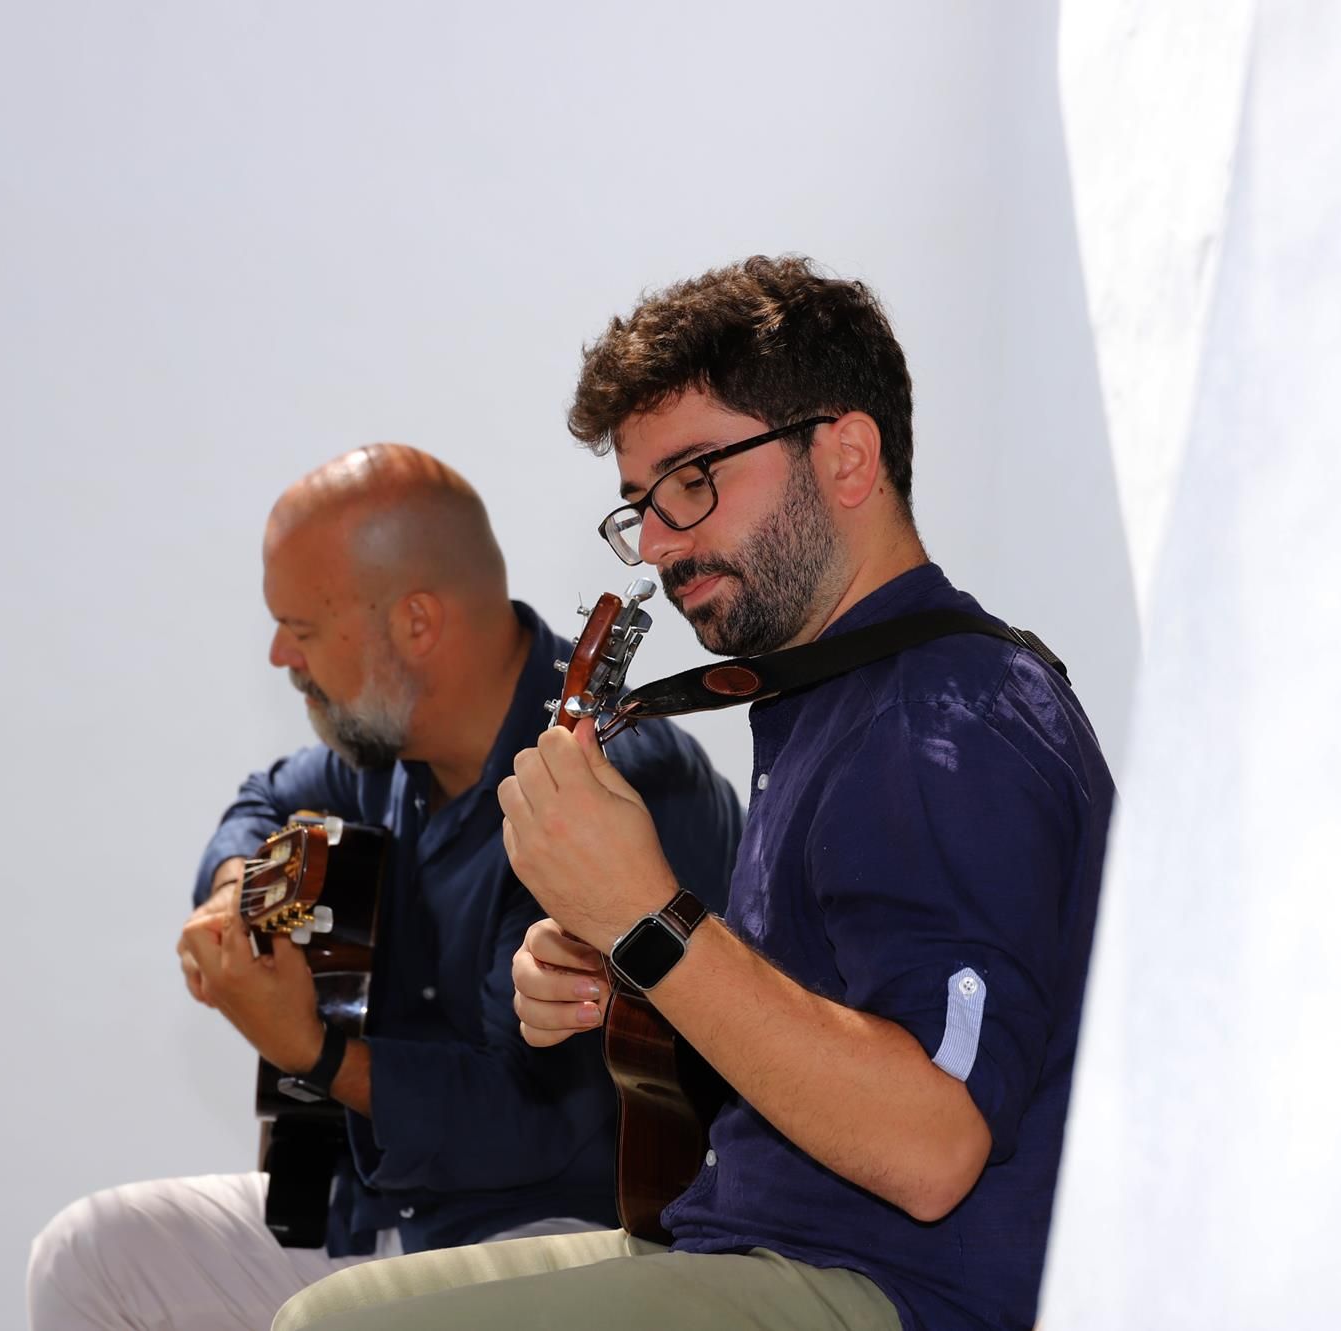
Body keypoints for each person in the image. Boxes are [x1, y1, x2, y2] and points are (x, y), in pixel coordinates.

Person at [272, 257, 1116, 1331]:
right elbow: (824, 1031)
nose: (660, 542)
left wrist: (651, 922)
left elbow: (932, 1141)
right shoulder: (823, 700)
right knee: (323, 1308)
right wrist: (619, 972)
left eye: (692, 478)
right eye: (639, 505)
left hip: (893, 1293)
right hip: (738, 1234)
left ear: (845, 455)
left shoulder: (945, 717)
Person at [26, 444, 744, 1331]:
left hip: (576, 1241)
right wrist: (233, 892)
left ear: (416, 624)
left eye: (303, 626)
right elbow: (263, 801)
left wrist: (317, 1052)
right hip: (388, 1214)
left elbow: (532, 1116)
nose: (279, 652)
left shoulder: (619, 787)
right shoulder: (380, 754)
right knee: (92, 1253)